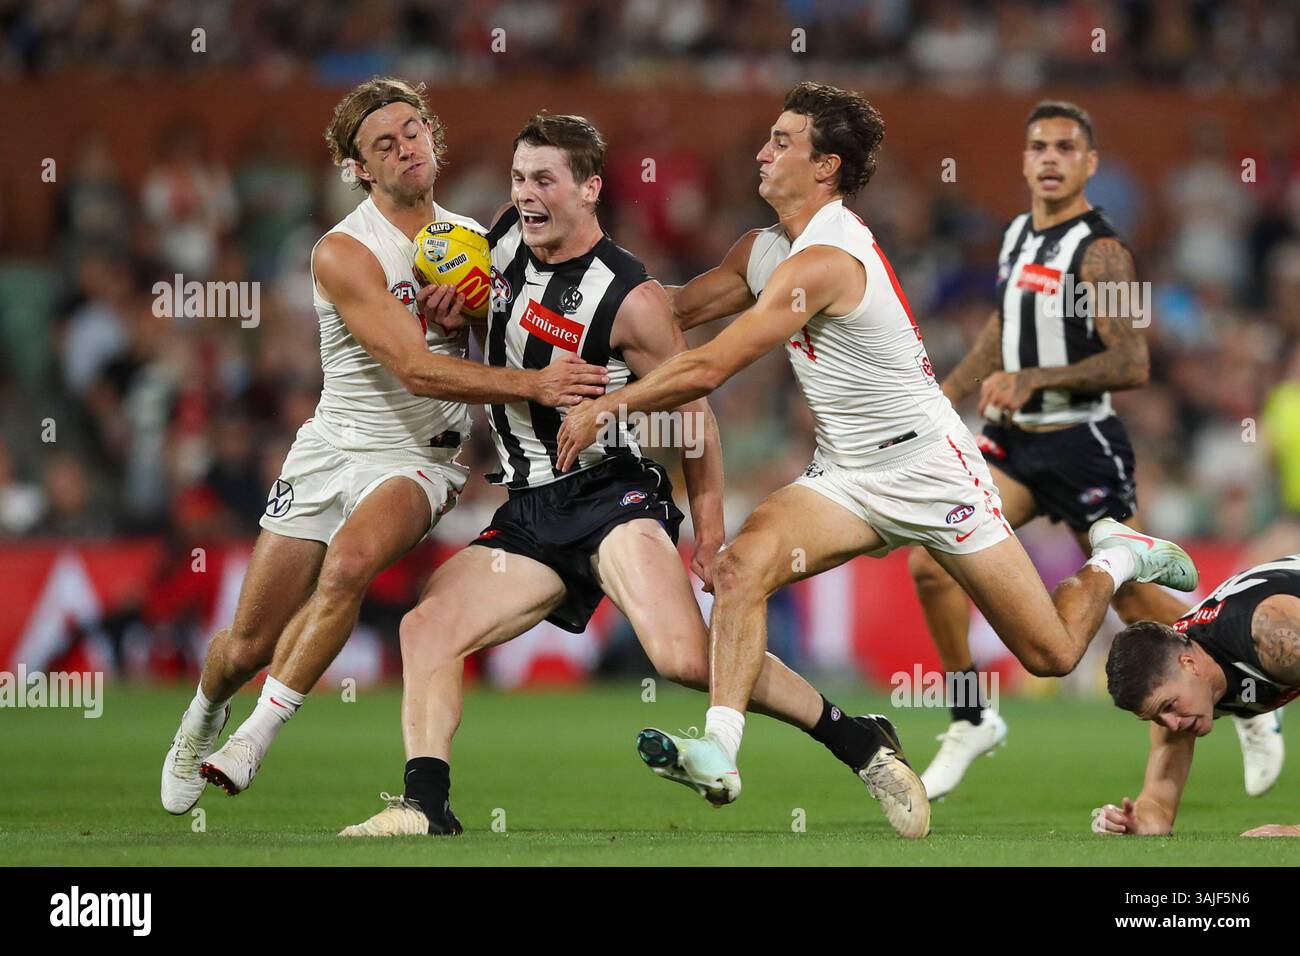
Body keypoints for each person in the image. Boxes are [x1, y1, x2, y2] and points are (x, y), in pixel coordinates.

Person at [555, 81, 1198, 813]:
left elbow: (708, 366)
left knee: (1050, 653)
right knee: (740, 569)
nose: (762, 153)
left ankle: (1117, 554)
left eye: (782, 142)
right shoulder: (763, 250)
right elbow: (666, 310)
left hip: (931, 470)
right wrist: (568, 282)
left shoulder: (825, 260)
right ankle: (721, 751)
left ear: (825, 168)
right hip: (846, 477)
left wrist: (609, 402)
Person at [341, 112, 930, 841]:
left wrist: (709, 533)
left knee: (684, 656)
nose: (526, 195)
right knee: (426, 628)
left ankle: (858, 740)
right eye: (520, 179)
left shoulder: (632, 298)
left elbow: (696, 417)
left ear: (588, 190)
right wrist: (453, 313)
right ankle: (427, 808)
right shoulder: (494, 244)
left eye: (544, 180)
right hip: (528, 507)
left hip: (611, 498)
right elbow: (487, 331)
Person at [160, 77, 608, 813]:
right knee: (245, 644)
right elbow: (412, 366)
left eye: (412, 131)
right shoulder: (344, 251)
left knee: (352, 564)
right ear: (360, 169)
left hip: (419, 455)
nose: (406, 148)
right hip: (333, 447)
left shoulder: (478, 242)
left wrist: (469, 320)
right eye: (383, 145)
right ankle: (203, 718)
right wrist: (534, 384)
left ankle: (256, 738)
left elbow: (496, 340)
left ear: (433, 133)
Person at [907, 100, 1284, 801]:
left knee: (1137, 600)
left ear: (1090, 163)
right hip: (1016, 443)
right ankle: (970, 714)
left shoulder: (1102, 250)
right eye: (1039, 146)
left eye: (1065, 147)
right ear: (1023, 160)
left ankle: (1245, 703)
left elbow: (1132, 362)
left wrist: (1037, 378)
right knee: (931, 563)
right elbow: (1002, 329)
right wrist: (939, 400)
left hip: (1083, 442)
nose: (1050, 158)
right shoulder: (1018, 232)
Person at [1093, 555, 1299, 837]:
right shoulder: (1176, 686)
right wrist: (1139, 821)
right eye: (1157, 717)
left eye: (1169, 706)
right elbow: (1158, 802)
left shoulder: (1275, 637)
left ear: (1189, 664)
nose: (1171, 724)